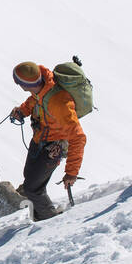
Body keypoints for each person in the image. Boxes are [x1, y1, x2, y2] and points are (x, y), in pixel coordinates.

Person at [9, 61, 87, 219]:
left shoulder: (59, 103)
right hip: (40, 139)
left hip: (54, 146)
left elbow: (78, 137)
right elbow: (35, 101)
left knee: (32, 188)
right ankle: (40, 212)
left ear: (25, 84)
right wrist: (23, 111)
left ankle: (48, 220)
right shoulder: (41, 89)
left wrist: (71, 172)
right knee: (30, 177)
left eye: (18, 82)